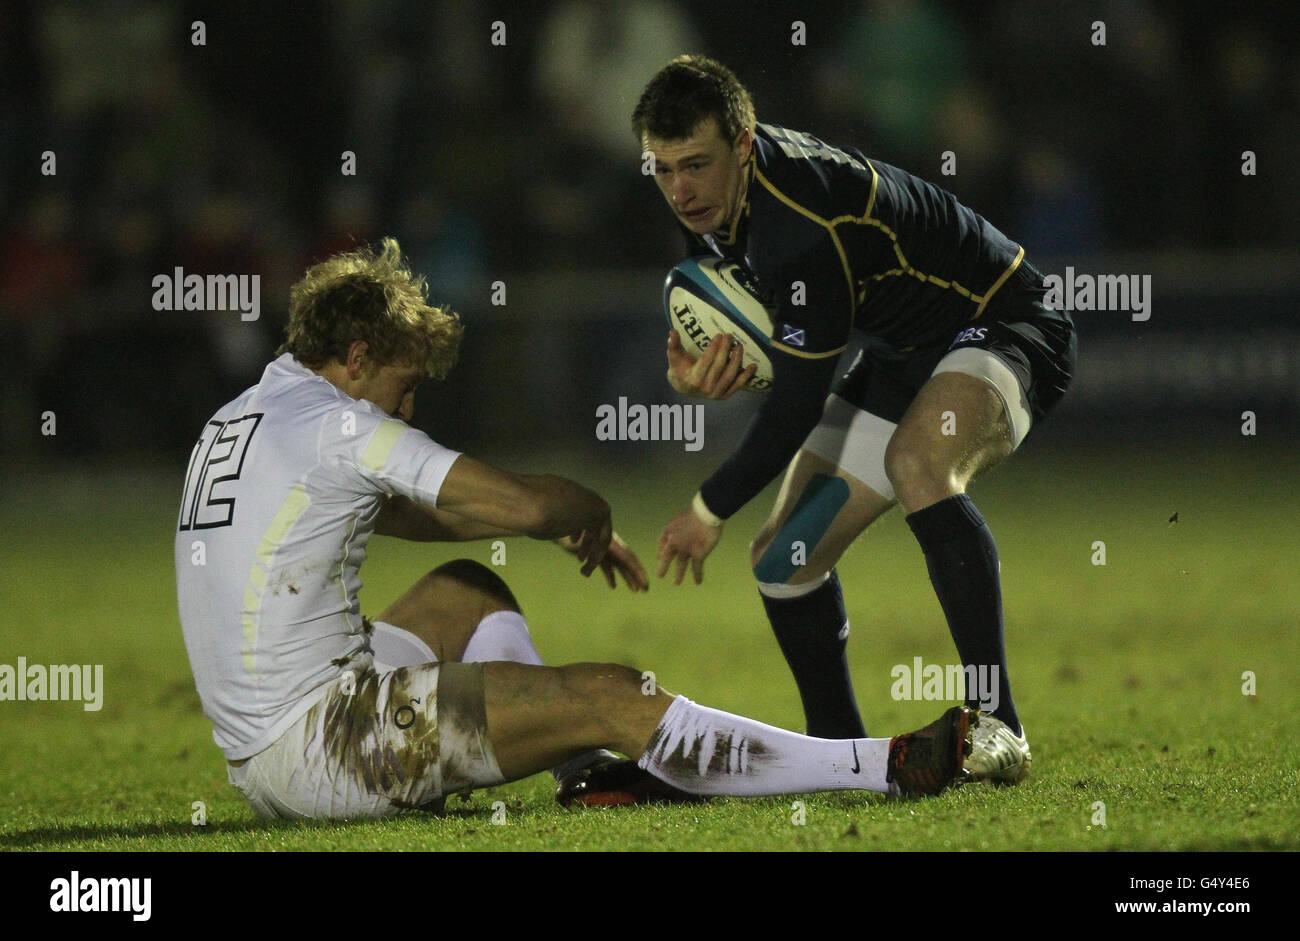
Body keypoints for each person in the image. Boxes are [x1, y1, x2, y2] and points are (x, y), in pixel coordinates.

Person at [172, 237, 974, 820]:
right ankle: (883, 765)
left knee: (468, 592)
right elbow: (520, 499)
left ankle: (585, 770)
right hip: (328, 745)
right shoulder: (343, 425)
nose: (408, 408)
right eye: (404, 386)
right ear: (354, 356)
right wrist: (582, 508)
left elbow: (381, 510)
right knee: (618, 691)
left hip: (256, 747)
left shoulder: (245, 413)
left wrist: (523, 530)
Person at [634, 56, 1077, 783]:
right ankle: (835, 748)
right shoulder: (717, 201)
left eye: (696, 165)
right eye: (662, 169)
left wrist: (708, 507)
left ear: (744, 145)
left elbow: (799, 399)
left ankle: (999, 722)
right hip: (908, 352)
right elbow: (753, 330)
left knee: (918, 462)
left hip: (1005, 319)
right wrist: (698, 373)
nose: (680, 190)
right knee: (783, 561)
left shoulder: (800, 218)